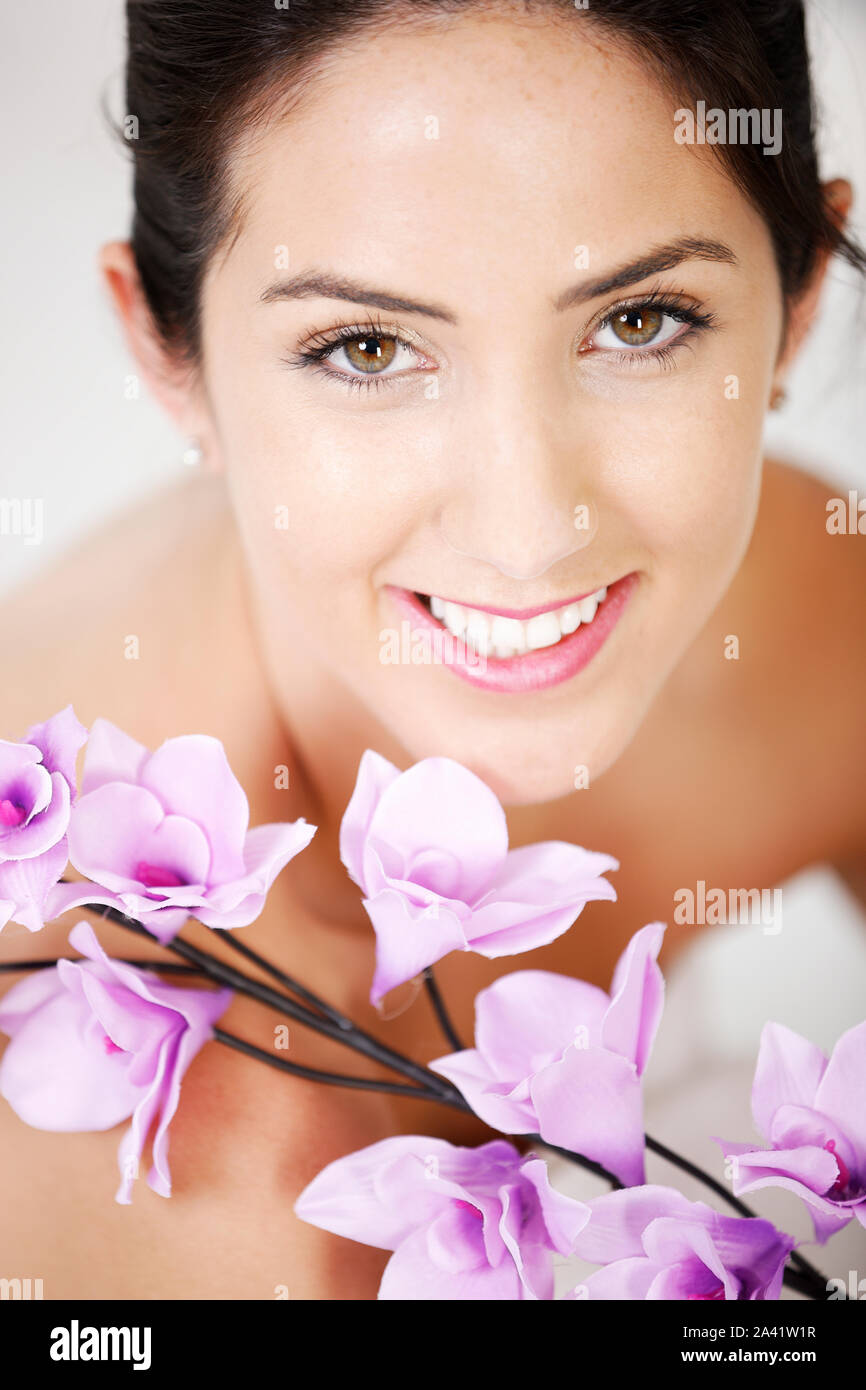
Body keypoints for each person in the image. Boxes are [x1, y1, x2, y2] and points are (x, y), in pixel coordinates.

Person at [0, 0, 864, 1299]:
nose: (526, 538)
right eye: (365, 347)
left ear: (796, 300)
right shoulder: (125, 1177)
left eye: (638, 322)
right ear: (163, 353)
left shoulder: (818, 621)